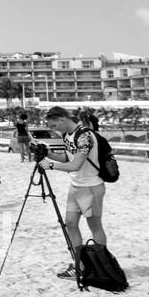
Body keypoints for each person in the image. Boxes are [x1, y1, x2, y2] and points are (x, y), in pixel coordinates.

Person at [38, 106, 106, 280]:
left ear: (62, 118)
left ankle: (101, 265)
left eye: (53, 124)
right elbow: (68, 158)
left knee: (94, 226)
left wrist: (51, 166)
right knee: (70, 224)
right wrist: (47, 153)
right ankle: (80, 265)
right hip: (76, 185)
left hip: (91, 186)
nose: (53, 128)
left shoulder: (84, 136)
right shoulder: (66, 135)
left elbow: (76, 165)